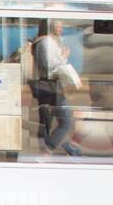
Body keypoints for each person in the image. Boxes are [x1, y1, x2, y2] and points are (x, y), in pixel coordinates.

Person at [30, 19, 81, 153]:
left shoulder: (49, 41)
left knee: (50, 120)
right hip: (49, 85)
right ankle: (48, 148)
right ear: (51, 27)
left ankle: (47, 148)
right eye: (59, 27)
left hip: (52, 84)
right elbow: (47, 65)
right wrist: (64, 56)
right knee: (57, 120)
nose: (61, 29)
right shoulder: (46, 42)